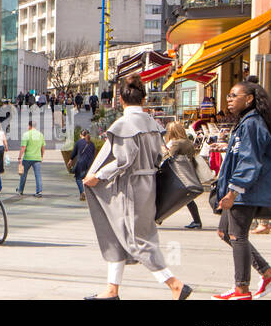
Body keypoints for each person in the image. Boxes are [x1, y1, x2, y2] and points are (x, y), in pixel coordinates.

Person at [82, 74, 192, 301]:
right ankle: (112, 289)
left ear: (120, 100)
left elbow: (124, 159)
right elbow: (157, 155)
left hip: (129, 188)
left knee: (137, 239)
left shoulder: (124, 125)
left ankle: (174, 284)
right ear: (143, 99)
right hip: (148, 185)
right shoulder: (152, 124)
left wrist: (98, 176)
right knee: (118, 232)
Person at [212, 82, 271, 300]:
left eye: (234, 95)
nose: (229, 99)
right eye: (228, 95)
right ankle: (268, 274)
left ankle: (242, 290)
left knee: (237, 235)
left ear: (249, 99)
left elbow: (249, 161)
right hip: (241, 190)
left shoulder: (253, 123)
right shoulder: (245, 122)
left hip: (246, 191)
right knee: (225, 232)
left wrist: (233, 192)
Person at [162, 120, 202, 229]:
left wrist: (164, 151)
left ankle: (157, 217)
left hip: (178, 174)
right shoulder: (188, 142)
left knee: (167, 195)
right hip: (188, 172)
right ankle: (197, 221)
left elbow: (169, 157)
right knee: (188, 198)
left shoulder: (177, 143)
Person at [17, 119, 44, 197]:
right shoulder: (40, 134)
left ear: (29, 126)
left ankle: (20, 190)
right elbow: (43, 147)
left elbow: (23, 147)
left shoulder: (26, 134)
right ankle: (39, 191)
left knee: (23, 174)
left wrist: (19, 157)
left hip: (27, 158)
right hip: (37, 158)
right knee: (38, 175)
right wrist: (42, 156)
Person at [70, 128, 97, 201]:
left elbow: (74, 152)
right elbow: (94, 154)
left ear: (80, 135)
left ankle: (82, 192)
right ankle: (88, 194)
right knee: (87, 178)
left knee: (78, 178)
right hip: (90, 164)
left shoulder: (78, 142)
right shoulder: (92, 144)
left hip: (80, 163)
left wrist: (70, 160)